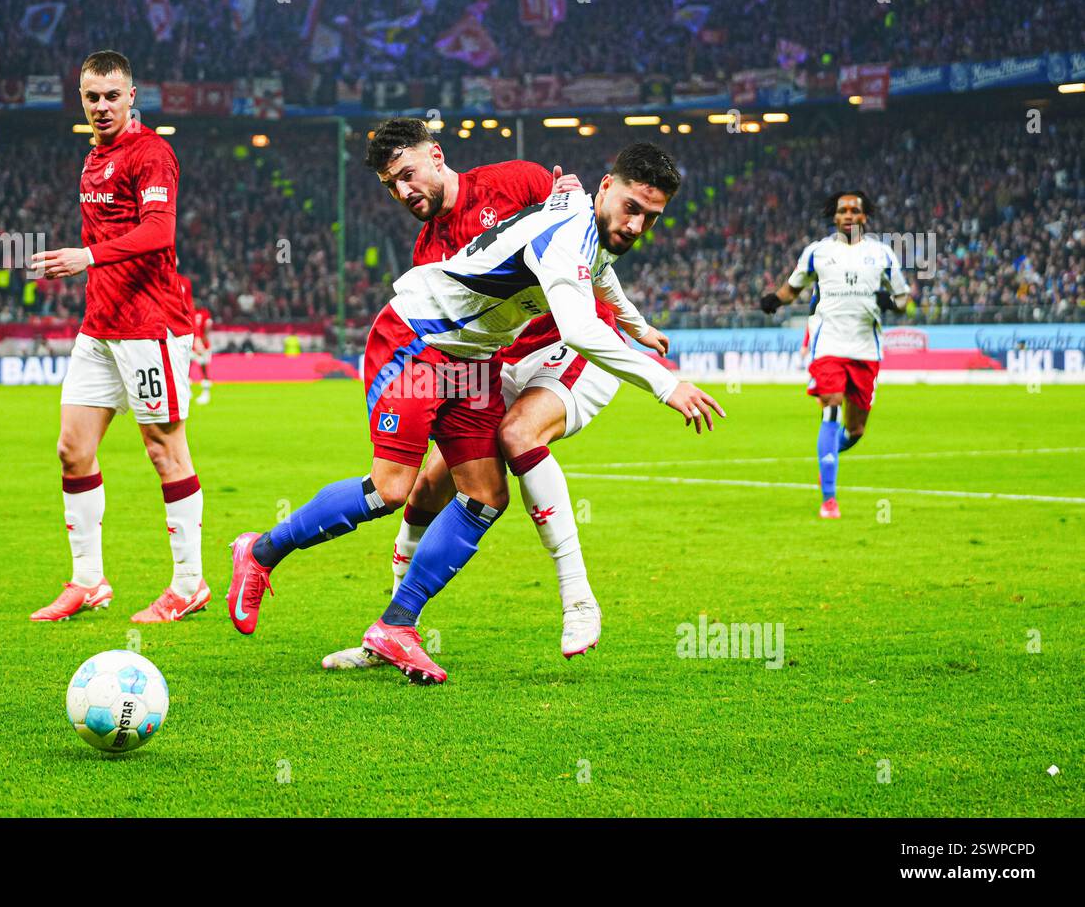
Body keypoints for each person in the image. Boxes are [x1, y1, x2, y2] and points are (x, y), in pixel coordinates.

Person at [227, 146, 723, 684]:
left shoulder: (585, 219)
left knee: (486, 495)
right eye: (631, 207)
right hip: (418, 342)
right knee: (393, 490)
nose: (637, 225)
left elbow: (598, 274)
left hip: (473, 359)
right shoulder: (565, 232)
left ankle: (396, 626)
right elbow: (581, 328)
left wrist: (636, 323)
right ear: (606, 187)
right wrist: (665, 383)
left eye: (650, 217)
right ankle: (260, 550)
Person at [323, 118, 670, 671]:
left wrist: (635, 328)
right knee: (425, 487)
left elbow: (589, 245)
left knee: (518, 434)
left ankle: (578, 597)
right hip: (496, 360)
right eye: (392, 185)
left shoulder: (516, 180)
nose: (405, 190)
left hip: (570, 343)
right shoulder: (427, 249)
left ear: (436, 157)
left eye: (409, 174)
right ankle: (393, 629)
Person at [28, 50, 208, 624]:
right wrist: (90, 268)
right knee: (72, 449)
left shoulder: (152, 154)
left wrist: (87, 256)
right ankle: (88, 581)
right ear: (80, 100)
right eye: (91, 97)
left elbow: (159, 231)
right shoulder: (92, 161)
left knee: (164, 450)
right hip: (99, 328)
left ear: (133, 96)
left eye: (112, 95)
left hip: (150, 327)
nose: (101, 106)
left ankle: (189, 583)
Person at [760, 190, 909, 518]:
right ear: (835, 216)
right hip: (828, 345)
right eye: (842, 210)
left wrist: (890, 303)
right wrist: (774, 299)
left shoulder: (882, 254)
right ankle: (829, 499)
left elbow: (902, 298)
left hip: (866, 349)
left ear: (864, 217)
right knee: (831, 405)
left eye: (855, 210)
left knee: (856, 431)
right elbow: (793, 288)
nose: (848, 215)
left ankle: (829, 457)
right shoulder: (818, 252)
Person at [179, 272, 213, 405]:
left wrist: (201, 341)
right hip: (196, 343)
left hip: (198, 343)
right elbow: (208, 327)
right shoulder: (203, 313)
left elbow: (207, 328)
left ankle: (204, 392)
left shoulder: (197, 314)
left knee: (198, 367)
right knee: (191, 367)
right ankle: (189, 391)